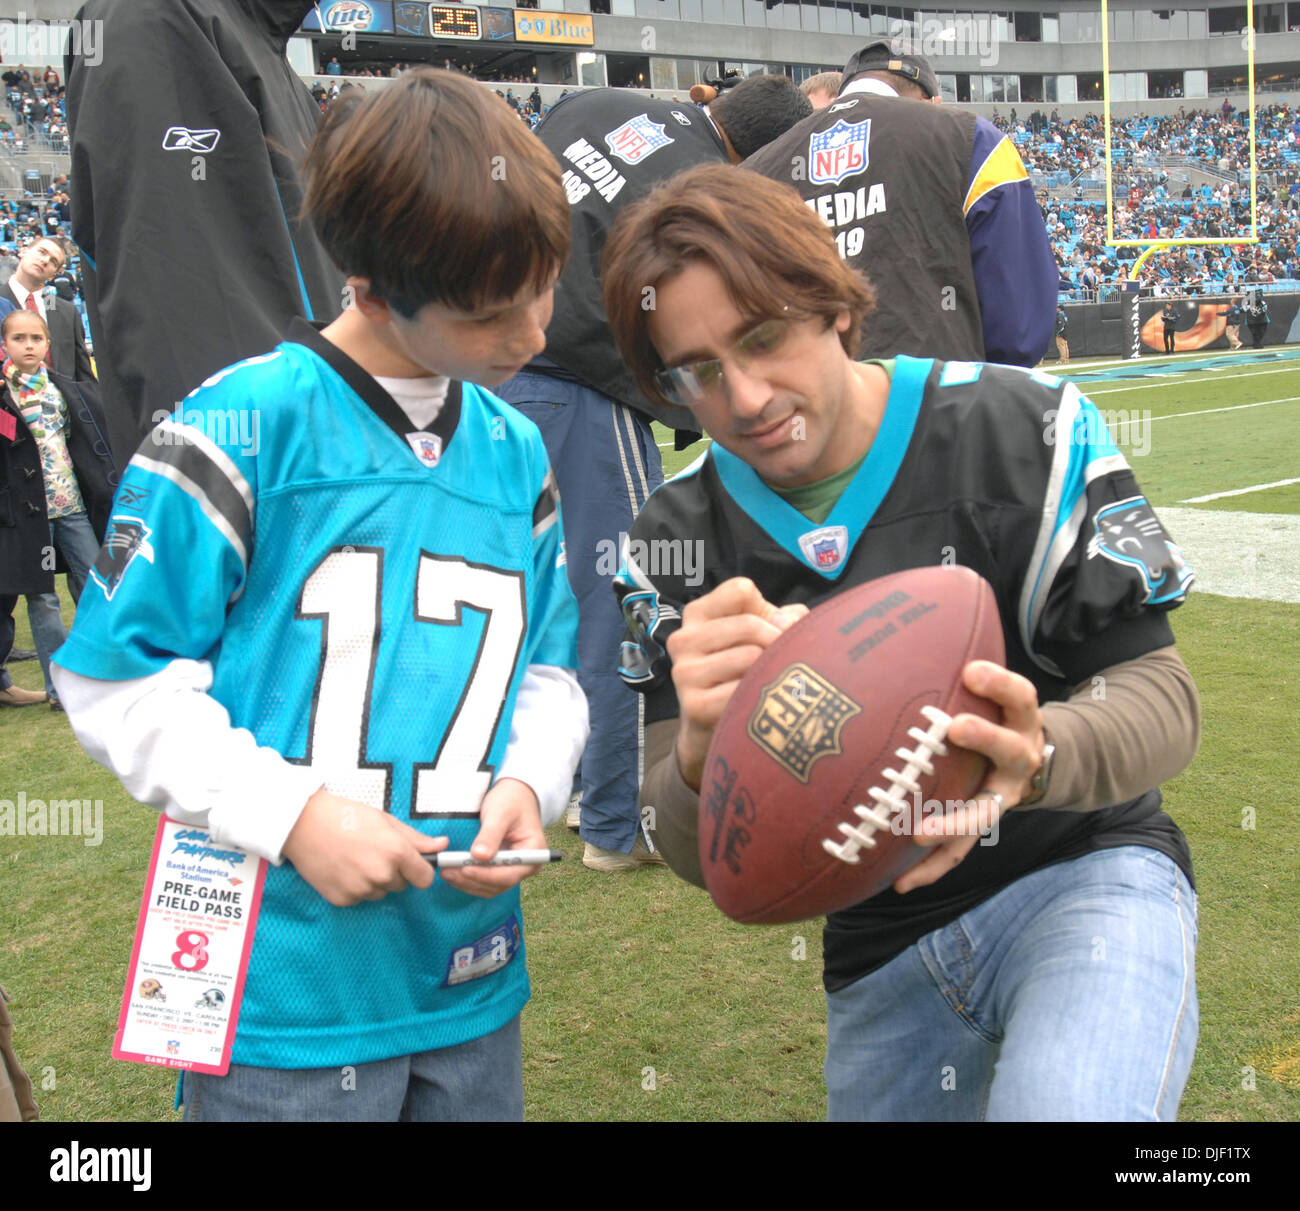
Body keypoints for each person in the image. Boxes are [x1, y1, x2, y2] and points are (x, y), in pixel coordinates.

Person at [602, 163, 1200, 1122]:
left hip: (1079, 869)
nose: (748, 396)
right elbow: (679, 843)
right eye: (701, 372)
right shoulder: (671, 540)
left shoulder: (1024, 426)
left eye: (763, 338)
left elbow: (1165, 699)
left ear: (830, 302)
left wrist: (1037, 754)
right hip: (877, 940)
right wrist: (697, 748)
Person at [52, 71, 587, 1122]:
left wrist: (528, 779)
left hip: (463, 973)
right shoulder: (244, 427)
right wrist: (290, 812)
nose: (532, 333)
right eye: (490, 312)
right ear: (371, 287)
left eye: (545, 284)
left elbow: (549, 667)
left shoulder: (515, 449)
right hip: (278, 987)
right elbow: (115, 680)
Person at [496, 76, 812, 871]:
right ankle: (616, 823)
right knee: (629, 599)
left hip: (495, 370)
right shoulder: (704, 187)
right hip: (581, 388)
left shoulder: (597, 101)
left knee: (536, 594)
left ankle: (555, 785)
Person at [66, 0, 345, 468]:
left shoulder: (268, 54)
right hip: (281, 490)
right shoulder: (156, 18)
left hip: (322, 468)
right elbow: (190, 323)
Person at [745, 40, 1057, 366]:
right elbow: (1018, 325)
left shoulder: (753, 169)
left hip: (799, 402)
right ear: (930, 100)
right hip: (933, 401)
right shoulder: (972, 139)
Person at [0, 311, 115, 711]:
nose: (29, 345)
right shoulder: (3, 395)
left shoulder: (66, 391)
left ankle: (102, 672)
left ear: (48, 344)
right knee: (43, 598)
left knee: (98, 582)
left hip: (73, 507)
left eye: (36, 338)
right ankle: (59, 689)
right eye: (19, 338)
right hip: (29, 518)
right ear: (6, 345)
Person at [1, 237, 94, 382]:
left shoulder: (68, 312)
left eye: (53, 262)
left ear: (53, 275)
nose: (45, 261)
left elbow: (83, 374)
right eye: (41, 252)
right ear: (23, 252)